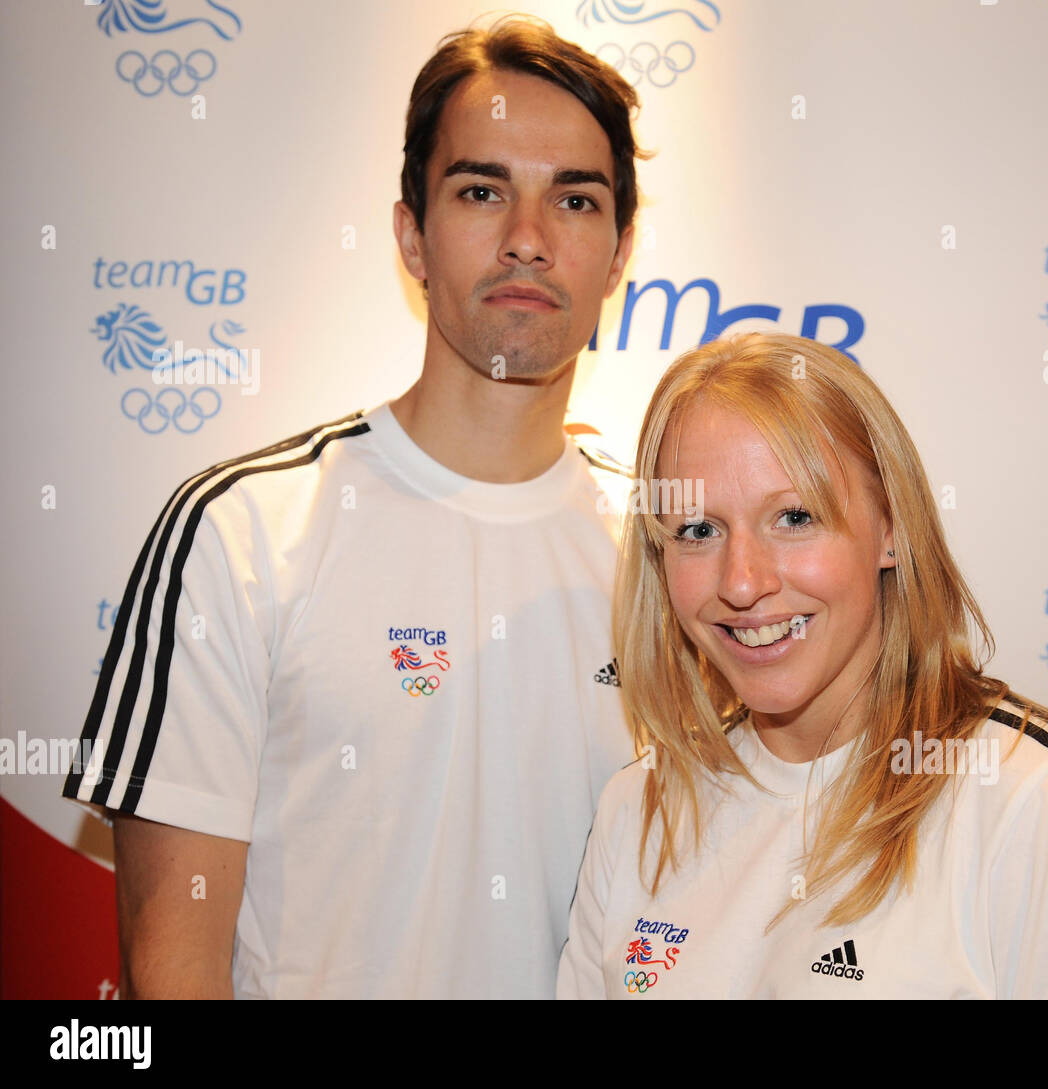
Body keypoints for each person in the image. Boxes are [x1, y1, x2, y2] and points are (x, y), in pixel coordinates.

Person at [64, 16, 644, 999]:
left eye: (574, 200)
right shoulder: (240, 534)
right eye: (480, 190)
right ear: (411, 235)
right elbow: (174, 978)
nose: (528, 241)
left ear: (619, 251)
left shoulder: (685, 565)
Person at [557, 333, 1048, 999]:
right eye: (697, 530)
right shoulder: (638, 807)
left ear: (890, 529)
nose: (742, 582)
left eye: (794, 516)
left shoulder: (1032, 793)